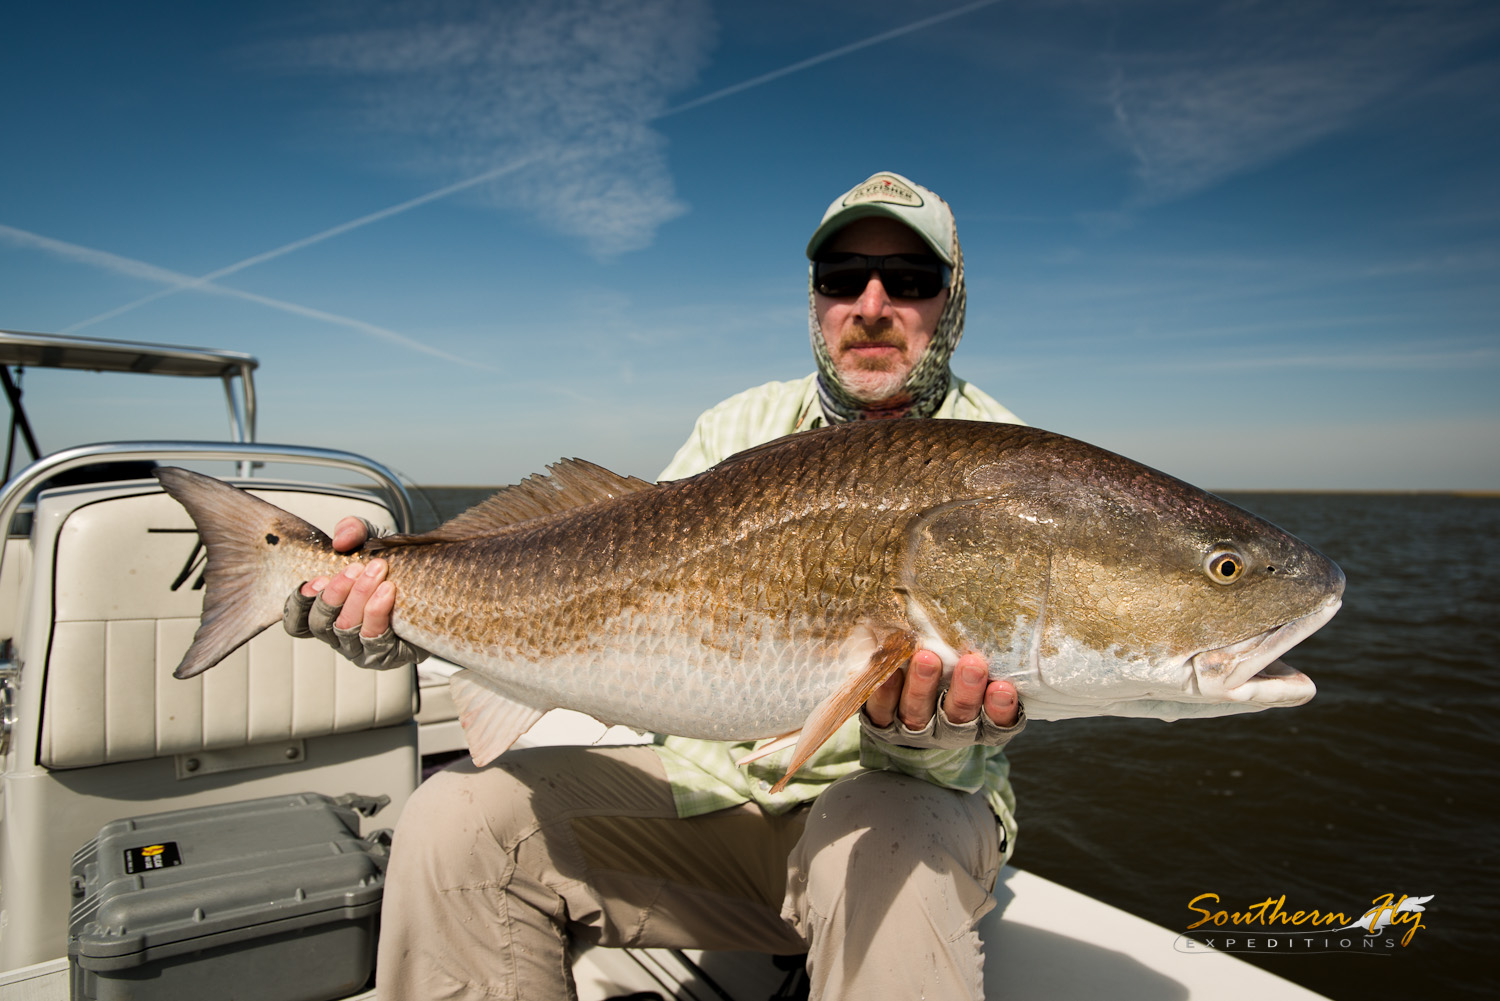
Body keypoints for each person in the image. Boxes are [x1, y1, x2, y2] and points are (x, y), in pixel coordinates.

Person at [290, 171, 1028, 1000]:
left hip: (900, 809)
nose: (871, 302)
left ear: (950, 298)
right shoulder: (737, 426)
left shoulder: (1012, 464)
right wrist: (404, 615)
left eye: (912, 280)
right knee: (449, 822)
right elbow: (608, 588)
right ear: (815, 299)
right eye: (841, 277)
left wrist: (919, 737)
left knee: (896, 832)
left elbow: (1008, 699)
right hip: (711, 797)